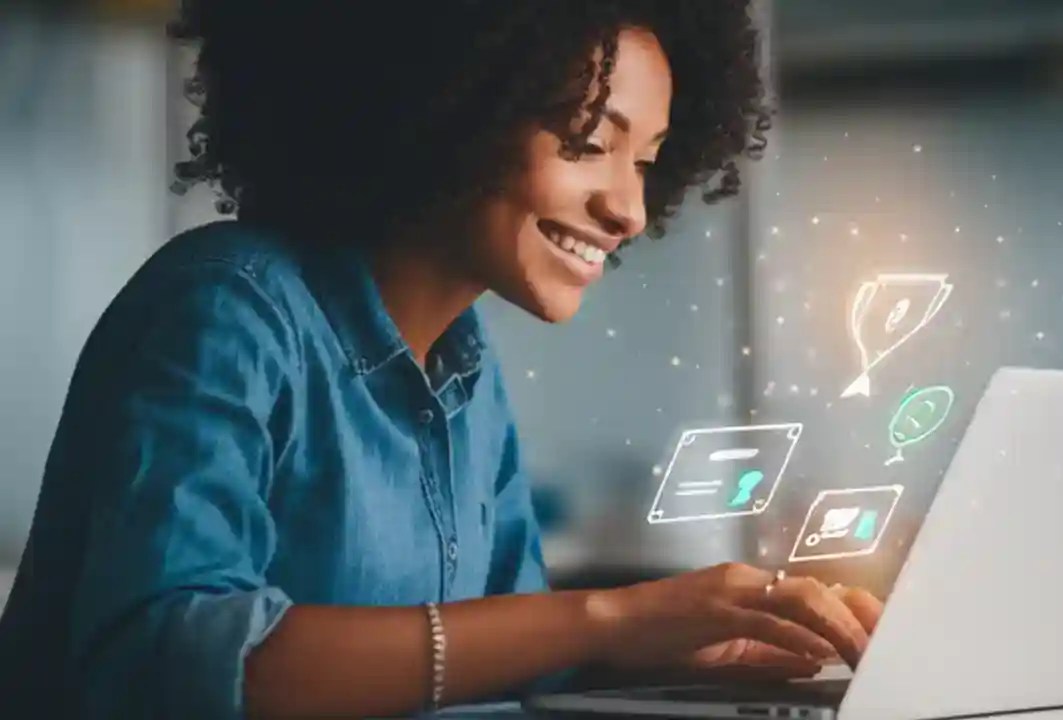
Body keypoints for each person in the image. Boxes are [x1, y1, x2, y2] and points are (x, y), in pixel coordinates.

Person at [0, 2, 884, 718]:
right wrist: (606, 619)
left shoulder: (464, 368)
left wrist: (682, 653)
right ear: (449, 106)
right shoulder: (228, 307)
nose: (629, 209)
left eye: (647, 161)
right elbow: (166, 660)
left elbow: (504, 659)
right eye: (587, 140)